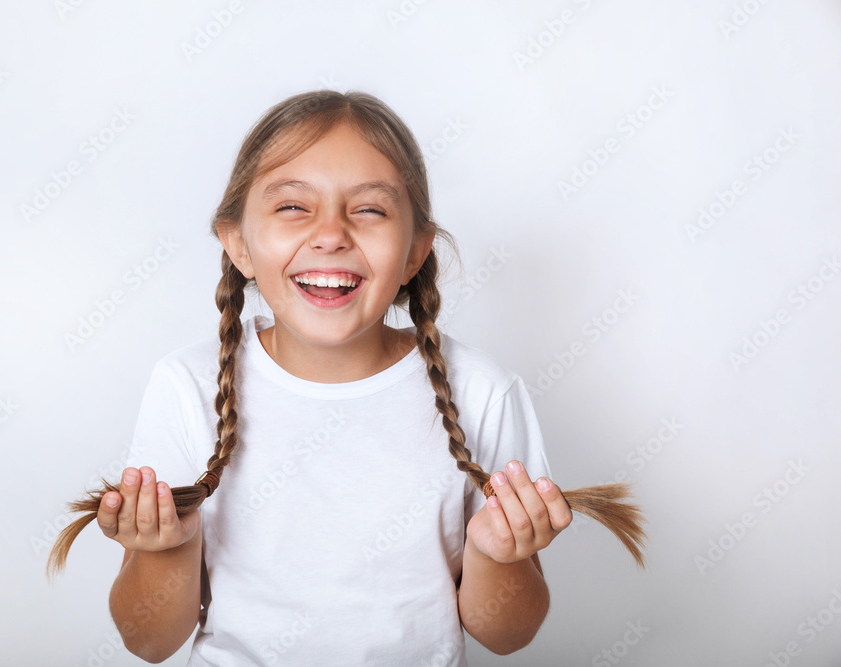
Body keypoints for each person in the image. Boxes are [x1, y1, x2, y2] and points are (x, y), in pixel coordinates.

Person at [47, 89, 645, 666]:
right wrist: (164, 550)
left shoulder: (484, 392)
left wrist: (499, 556)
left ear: (415, 252)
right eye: (292, 206)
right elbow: (147, 643)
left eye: (369, 209)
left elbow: (509, 636)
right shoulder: (186, 385)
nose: (331, 233)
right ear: (239, 245)